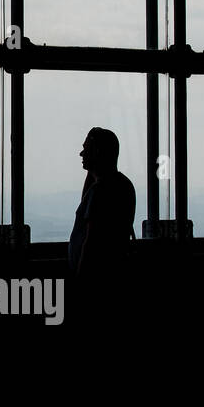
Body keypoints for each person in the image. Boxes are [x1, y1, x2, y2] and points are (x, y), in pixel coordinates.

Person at [68, 127, 135, 302]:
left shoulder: (100, 192)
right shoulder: (123, 185)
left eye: (86, 149)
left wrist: (80, 283)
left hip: (95, 282)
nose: (81, 153)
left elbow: (91, 243)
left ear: (97, 152)